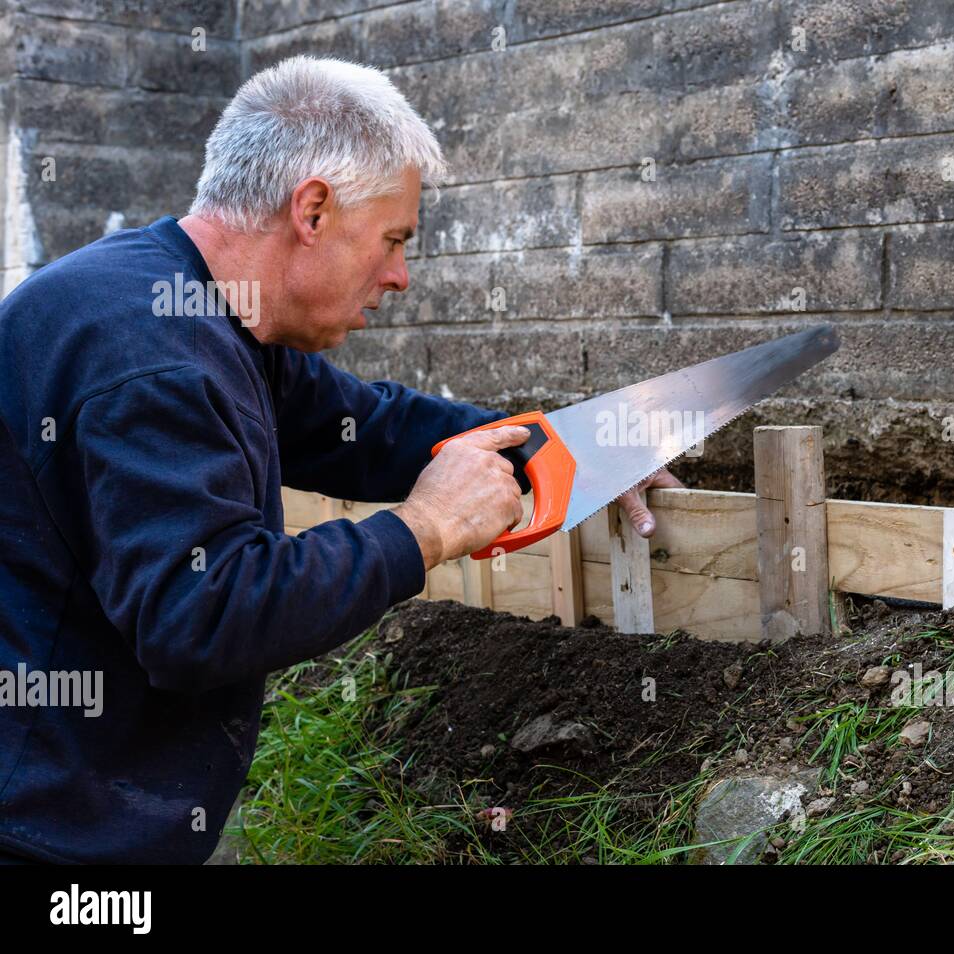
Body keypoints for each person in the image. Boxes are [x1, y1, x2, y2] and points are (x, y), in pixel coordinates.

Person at [0, 56, 680, 864]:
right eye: (393, 240)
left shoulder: (198, 308)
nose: (398, 276)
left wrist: (564, 447)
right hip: (46, 842)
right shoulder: (152, 360)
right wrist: (424, 529)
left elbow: (359, 426)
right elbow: (200, 616)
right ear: (313, 210)